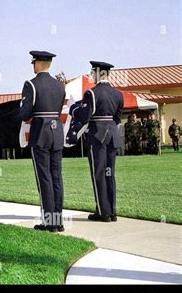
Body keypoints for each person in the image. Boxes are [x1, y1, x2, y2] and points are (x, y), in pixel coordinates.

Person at [19, 50, 66, 232]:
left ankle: (49, 222)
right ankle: (58, 220)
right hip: (56, 132)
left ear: (37, 63)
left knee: (44, 177)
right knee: (56, 177)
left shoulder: (31, 84)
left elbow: (25, 114)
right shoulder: (59, 85)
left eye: (33, 63)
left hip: (41, 133)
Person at [71, 61, 124, 222]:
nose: (90, 75)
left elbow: (84, 116)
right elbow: (117, 118)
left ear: (99, 73)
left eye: (92, 72)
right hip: (112, 135)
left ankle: (102, 212)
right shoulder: (118, 94)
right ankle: (112, 210)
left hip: (98, 135)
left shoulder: (91, 93)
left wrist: (73, 108)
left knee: (99, 173)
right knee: (110, 173)